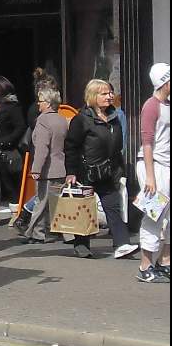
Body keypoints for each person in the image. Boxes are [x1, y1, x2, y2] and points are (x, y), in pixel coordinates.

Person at [63, 78, 139, 260]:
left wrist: (120, 170)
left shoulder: (114, 117)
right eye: (104, 93)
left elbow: (117, 147)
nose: (109, 96)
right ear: (93, 96)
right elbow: (71, 147)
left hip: (107, 171)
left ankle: (122, 244)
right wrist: (71, 172)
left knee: (113, 207)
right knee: (83, 209)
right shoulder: (81, 119)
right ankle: (81, 245)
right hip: (86, 172)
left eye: (110, 92)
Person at [21, 85, 70, 244]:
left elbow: (42, 147)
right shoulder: (62, 120)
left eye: (40, 101)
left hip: (47, 170)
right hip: (60, 167)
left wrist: (36, 169)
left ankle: (36, 233)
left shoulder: (42, 121)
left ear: (48, 103)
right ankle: (61, 232)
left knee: (41, 203)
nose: (38, 103)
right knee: (56, 203)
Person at [136, 62, 170, 283]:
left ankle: (165, 261)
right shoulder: (151, 105)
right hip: (153, 165)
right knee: (154, 215)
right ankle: (145, 265)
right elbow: (147, 142)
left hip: (167, 166)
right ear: (164, 82)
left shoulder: (168, 104)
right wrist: (150, 177)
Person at [0, 75, 25, 227]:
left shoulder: (12, 106)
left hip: (5, 151)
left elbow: (20, 128)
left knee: (9, 183)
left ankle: (15, 214)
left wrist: (5, 142)